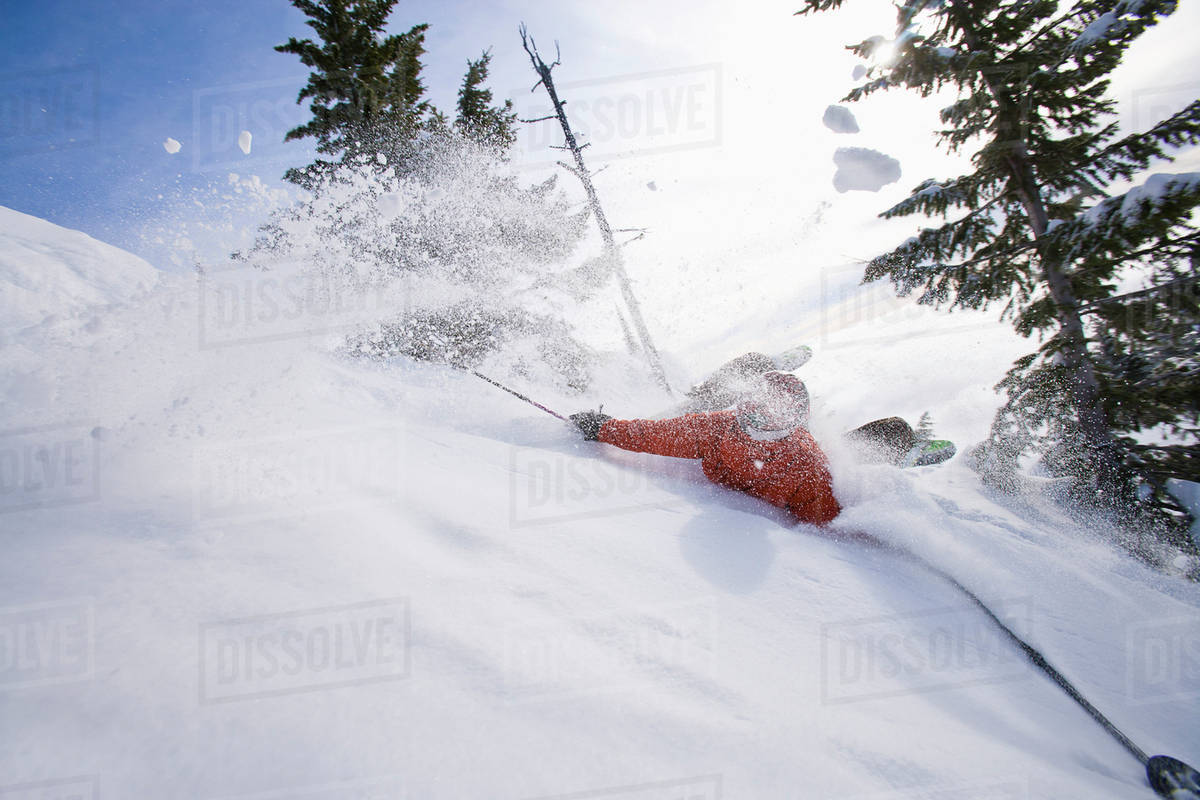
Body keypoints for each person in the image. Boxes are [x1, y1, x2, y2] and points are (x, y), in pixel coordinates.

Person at [570, 371, 842, 526]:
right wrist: (605, 428)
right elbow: (655, 435)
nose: (758, 429)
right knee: (704, 410)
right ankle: (718, 386)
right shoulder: (718, 427)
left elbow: (825, 523)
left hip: (799, 458)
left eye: (771, 416)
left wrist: (603, 428)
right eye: (755, 411)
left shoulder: (808, 466)